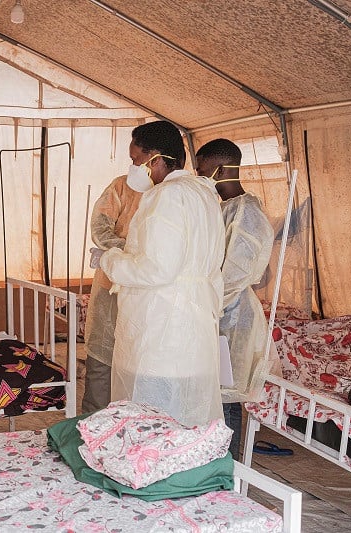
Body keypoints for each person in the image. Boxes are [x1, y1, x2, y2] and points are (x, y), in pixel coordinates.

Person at [94, 120, 226, 427]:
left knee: (153, 416)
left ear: (155, 159)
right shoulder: (203, 193)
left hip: (162, 326)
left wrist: (110, 259)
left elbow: (155, 269)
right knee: (187, 413)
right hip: (192, 322)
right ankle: (185, 468)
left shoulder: (165, 196)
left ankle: (155, 467)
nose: (133, 168)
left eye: (135, 160)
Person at [196, 138, 273, 459]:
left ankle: (226, 465)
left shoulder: (247, 213)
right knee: (211, 393)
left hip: (232, 315)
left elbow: (236, 274)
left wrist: (205, 307)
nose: (201, 177)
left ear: (222, 168)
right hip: (215, 311)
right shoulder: (223, 208)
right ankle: (212, 459)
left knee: (226, 396)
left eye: (203, 171)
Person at [81, 175, 142, 415]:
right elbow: (100, 227)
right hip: (111, 285)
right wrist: (130, 253)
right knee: (102, 357)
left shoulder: (174, 192)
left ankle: (132, 426)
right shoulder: (122, 187)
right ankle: (93, 425)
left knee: (139, 364)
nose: (136, 165)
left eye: (139, 158)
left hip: (147, 292)